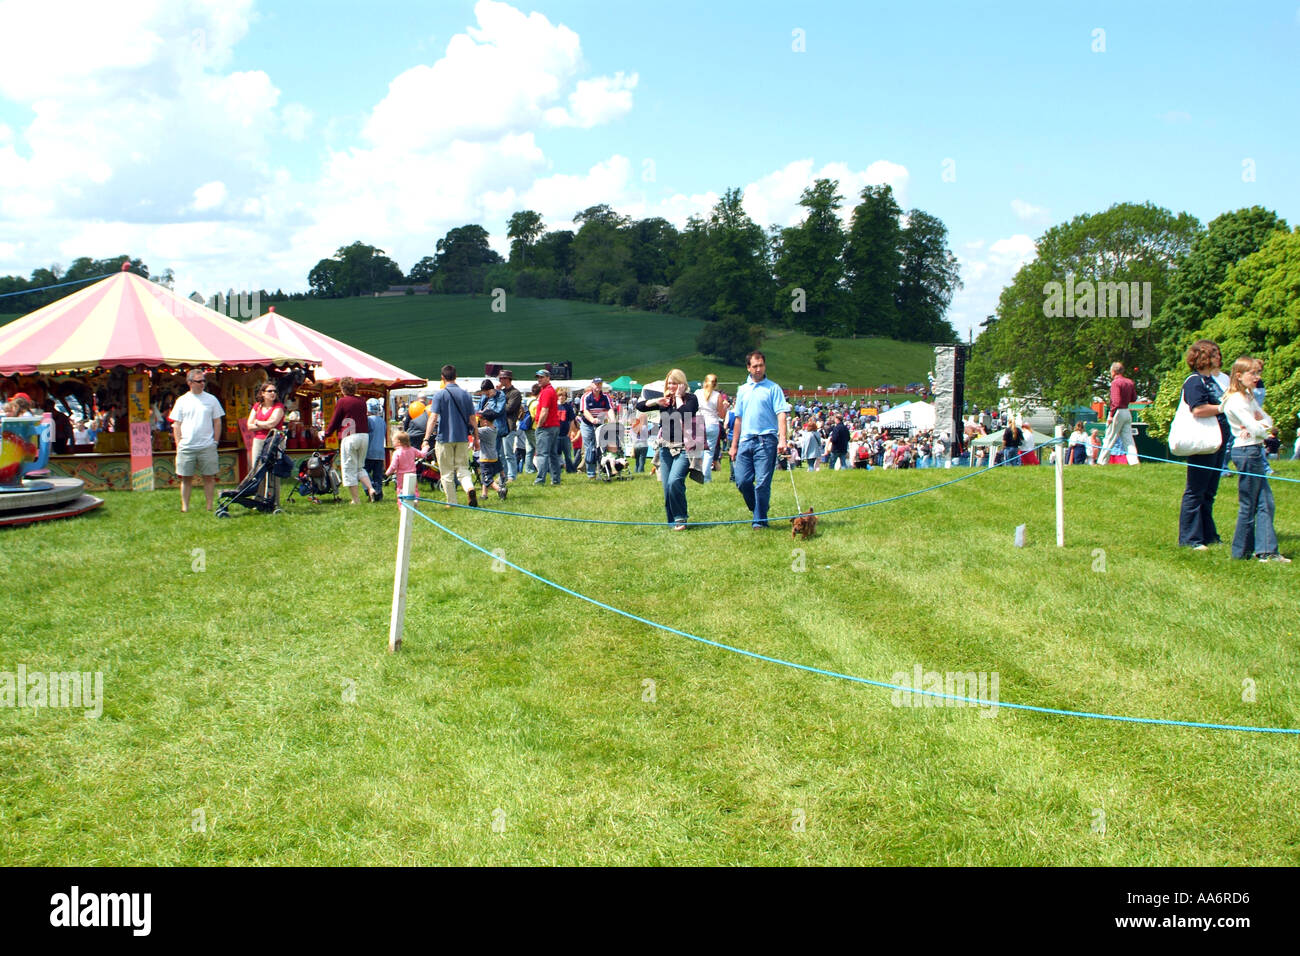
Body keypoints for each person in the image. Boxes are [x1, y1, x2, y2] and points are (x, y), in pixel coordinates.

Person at [1222, 357, 1288, 562]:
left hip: (1253, 449)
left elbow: (1266, 420)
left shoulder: (1248, 396)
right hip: (1247, 452)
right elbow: (1255, 428)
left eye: (1258, 373)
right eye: (1253, 373)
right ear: (1239, 375)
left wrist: (1262, 427)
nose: (1257, 377)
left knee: (1263, 502)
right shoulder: (1235, 400)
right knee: (1251, 503)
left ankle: (1259, 551)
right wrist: (1261, 430)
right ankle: (1246, 552)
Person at [729, 351, 790, 529]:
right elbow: (738, 419)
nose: (758, 369)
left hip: (766, 441)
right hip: (746, 441)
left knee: (763, 483)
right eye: (754, 366)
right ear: (748, 367)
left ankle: (759, 520)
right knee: (742, 481)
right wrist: (733, 446)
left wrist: (782, 439)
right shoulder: (742, 390)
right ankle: (758, 508)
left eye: (761, 365)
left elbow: (781, 414)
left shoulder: (773, 388)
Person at [1178, 340, 1229, 550]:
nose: (1219, 358)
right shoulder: (1194, 381)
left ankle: (1209, 535)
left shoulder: (1212, 381)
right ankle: (1190, 539)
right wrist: (1222, 408)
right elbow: (1197, 409)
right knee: (1195, 491)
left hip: (1217, 442)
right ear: (1204, 358)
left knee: (1209, 492)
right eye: (1215, 354)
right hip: (1203, 442)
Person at [636, 368, 699, 530]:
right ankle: (672, 521)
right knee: (666, 487)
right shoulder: (665, 400)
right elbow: (640, 406)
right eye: (669, 383)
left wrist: (678, 397)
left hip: (684, 447)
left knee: (675, 481)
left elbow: (684, 413)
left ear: (682, 384)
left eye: (675, 383)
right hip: (665, 447)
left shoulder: (691, 399)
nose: (671, 386)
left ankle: (680, 518)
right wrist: (657, 402)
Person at [421, 365, 479, 508]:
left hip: (444, 438)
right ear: (456, 375)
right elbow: (473, 419)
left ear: (442, 377)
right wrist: (476, 438)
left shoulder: (439, 395)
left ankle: (452, 503)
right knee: (463, 469)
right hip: (462, 438)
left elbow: (433, 418)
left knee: (446, 472)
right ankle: (469, 488)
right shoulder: (466, 395)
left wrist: (426, 439)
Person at [168, 369, 225, 513]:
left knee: (209, 477)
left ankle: (209, 506)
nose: (202, 384)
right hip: (187, 446)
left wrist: (215, 442)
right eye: (199, 381)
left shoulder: (211, 399)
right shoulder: (182, 401)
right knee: (186, 478)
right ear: (190, 383)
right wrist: (178, 443)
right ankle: (185, 508)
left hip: (207, 446)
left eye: (204, 381)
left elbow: (217, 422)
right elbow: (177, 424)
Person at [323, 377, 378, 505]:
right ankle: (370, 488)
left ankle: (355, 499)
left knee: (349, 468)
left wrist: (327, 433)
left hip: (350, 437)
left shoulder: (342, 401)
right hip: (364, 436)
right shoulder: (362, 401)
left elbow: (335, 420)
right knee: (360, 466)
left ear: (343, 389)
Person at [1097, 362, 1138, 465]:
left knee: (1109, 437)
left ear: (1114, 371)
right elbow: (1134, 398)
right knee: (1128, 439)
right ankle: (1134, 461)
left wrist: (1111, 415)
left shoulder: (1115, 383)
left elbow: (1116, 401)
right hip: (1127, 411)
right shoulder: (1129, 382)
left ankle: (1102, 462)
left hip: (1117, 412)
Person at [694, 374, 728, 482]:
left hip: (699, 422)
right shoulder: (717, 395)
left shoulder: (697, 393)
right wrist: (725, 407)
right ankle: (706, 477)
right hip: (712, 423)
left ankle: (698, 475)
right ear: (716, 384)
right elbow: (722, 415)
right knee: (709, 452)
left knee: (699, 451)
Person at [579, 377, 614, 479]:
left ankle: (602, 470)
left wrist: (612, 420)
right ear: (592, 385)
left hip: (600, 424)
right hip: (587, 424)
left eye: (599, 384)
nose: (598, 386)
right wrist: (592, 419)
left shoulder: (605, 397)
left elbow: (609, 409)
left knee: (601, 447)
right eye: (596, 384)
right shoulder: (586, 396)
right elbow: (585, 411)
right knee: (590, 447)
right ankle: (591, 473)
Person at [532, 369, 562, 486]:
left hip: (546, 427)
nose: (539, 379)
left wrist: (539, 426)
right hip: (554, 425)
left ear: (548, 378)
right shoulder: (550, 390)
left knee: (542, 454)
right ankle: (555, 479)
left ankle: (540, 480)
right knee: (553, 454)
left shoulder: (546, 392)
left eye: (541, 377)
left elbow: (544, 411)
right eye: (538, 377)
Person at [246, 382, 285, 471]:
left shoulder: (279, 406)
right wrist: (265, 424)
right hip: (259, 440)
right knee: (256, 468)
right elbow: (249, 426)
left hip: (274, 440)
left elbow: (272, 424)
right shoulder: (257, 406)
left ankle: (272, 485)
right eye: (270, 391)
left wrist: (256, 422)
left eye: (275, 391)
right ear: (263, 393)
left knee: (273, 469)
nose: (273, 393)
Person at [496, 370, 522, 483]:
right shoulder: (500, 392)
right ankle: (503, 475)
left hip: (509, 425)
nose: (500, 380)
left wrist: (499, 401)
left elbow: (509, 408)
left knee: (508, 453)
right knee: (501, 454)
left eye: (502, 378)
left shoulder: (515, 393)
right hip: (500, 425)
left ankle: (512, 475)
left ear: (508, 379)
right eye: (500, 378)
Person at [475, 412, 507, 501]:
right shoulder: (494, 428)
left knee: (487, 478)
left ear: (485, 421)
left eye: (480, 419)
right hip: (493, 457)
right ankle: (484, 495)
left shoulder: (485, 430)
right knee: (485, 476)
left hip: (486, 458)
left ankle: (500, 490)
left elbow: (473, 431)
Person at [364, 397, 387, 502]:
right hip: (380, 452)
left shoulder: (368, 420)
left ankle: (371, 489)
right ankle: (379, 492)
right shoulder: (382, 421)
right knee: (378, 475)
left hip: (369, 452)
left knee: (364, 473)